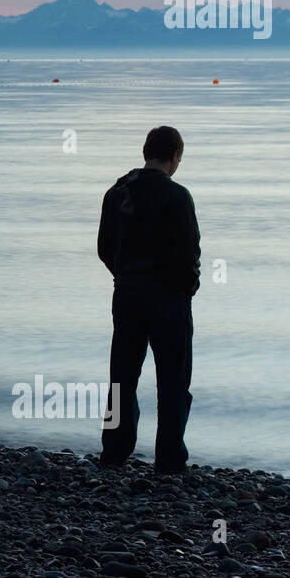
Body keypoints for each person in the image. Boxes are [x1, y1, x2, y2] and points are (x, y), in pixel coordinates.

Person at [96, 126, 200, 474]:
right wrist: (189, 287)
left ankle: (114, 451)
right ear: (176, 156)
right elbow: (189, 253)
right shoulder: (177, 196)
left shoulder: (117, 192)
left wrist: (124, 274)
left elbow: (104, 248)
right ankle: (169, 459)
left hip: (127, 294)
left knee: (122, 377)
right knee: (173, 382)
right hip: (168, 299)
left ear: (145, 151)